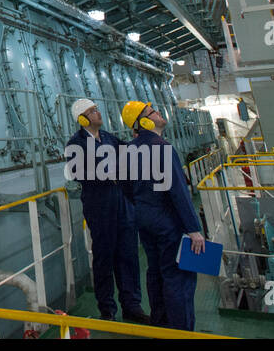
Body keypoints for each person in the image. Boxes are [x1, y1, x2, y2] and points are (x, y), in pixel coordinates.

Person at [122, 100, 205, 331]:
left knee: (156, 272)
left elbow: (126, 188)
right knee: (178, 277)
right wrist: (193, 229)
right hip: (168, 221)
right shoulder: (162, 147)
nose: (158, 113)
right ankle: (182, 332)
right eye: (152, 111)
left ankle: (160, 326)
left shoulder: (128, 150)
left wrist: (142, 206)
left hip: (145, 219)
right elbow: (178, 191)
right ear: (144, 121)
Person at [64, 98, 149, 324]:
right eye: (92, 111)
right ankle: (107, 310)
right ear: (83, 118)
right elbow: (81, 173)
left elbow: (129, 155)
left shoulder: (110, 138)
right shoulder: (76, 144)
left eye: (97, 109)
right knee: (104, 259)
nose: (98, 113)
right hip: (100, 208)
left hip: (122, 204)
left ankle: (132, 306)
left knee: (128, 256)